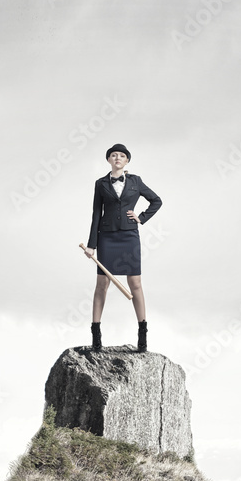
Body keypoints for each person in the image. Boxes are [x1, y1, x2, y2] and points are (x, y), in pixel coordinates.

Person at [84, 143, 162, 352]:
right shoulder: (100, 183)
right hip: (106, 237)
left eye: (121, 155)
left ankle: (142, 334)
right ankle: (96, 335)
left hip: (129, 237)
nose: (117, 158)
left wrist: (141, 217)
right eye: (113, 155)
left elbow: (156, 201)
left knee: (135, 283)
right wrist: (91, 245)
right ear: (109, 160)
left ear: (127, 160)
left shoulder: (136, 181)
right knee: (102, 284)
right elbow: (96, 214)